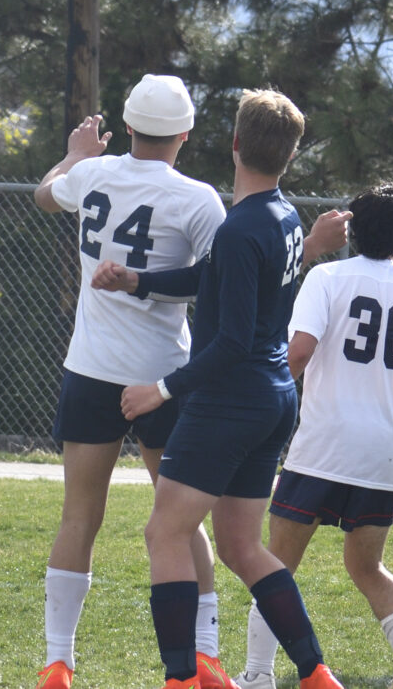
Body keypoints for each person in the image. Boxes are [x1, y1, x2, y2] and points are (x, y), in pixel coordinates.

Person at [114, 88, 346, 689]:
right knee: (241, 547)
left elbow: (231, 341)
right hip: (273, 397)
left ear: (235, 143)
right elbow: (218, 277)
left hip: (232, 400)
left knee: (164, 531)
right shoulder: (282, 214)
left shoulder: (242, 226)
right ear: (288, 156)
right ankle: (316, 672)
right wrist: (141, 281)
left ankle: (181, 679)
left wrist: (160, 391)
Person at [32, 74, 238, 689]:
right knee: (181, 522)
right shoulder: (199, 198)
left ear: (126, 126)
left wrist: (76, 154)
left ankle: (58, 660)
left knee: (78, 517)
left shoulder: (95, 176)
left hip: (91, 370)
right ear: (187, 131)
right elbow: (214, 281)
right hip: (163, 378)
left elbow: (44, 195)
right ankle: (204, 654)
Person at [233, 184, 393, 689]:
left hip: (322, 447)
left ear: (351, 228)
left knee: (275, 565)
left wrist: (258, 406)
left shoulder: (327, 277)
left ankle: (257, 674)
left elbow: (297, 354)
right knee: (368, 568)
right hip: (381, 456)